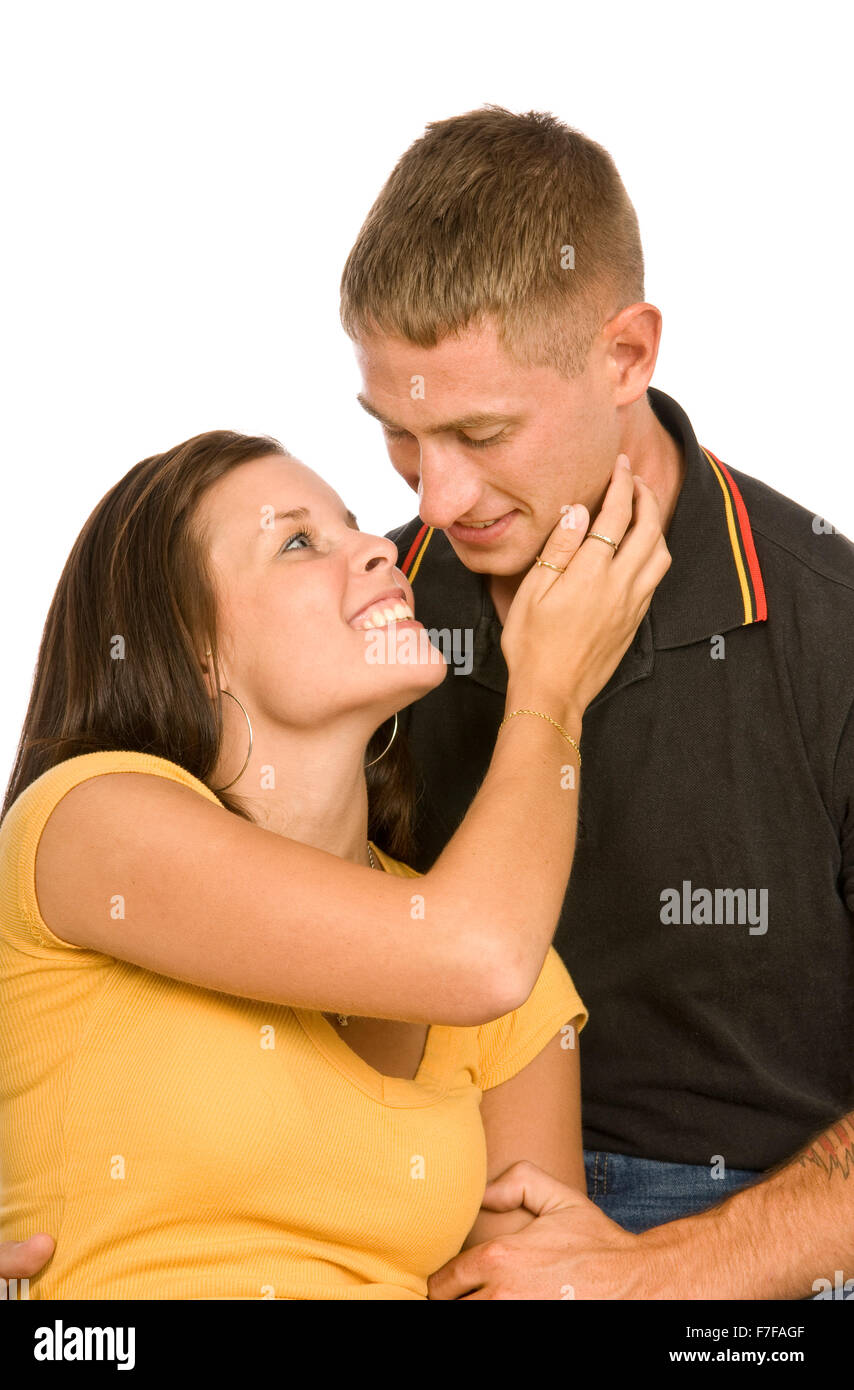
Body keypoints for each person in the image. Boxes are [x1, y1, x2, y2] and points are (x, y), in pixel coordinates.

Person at [337, 105, 854, 1299]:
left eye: (480, 430)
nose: (441, 497)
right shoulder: (361, 607)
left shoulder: (829, 624)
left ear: (625, 355)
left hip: (756, 1237)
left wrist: (648, 1276)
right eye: (400, 437)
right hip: (419, 1209)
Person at [0, 429, 667, 1298]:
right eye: (298, 541)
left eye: (355, 526)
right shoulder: (88, 820)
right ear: (188, 644)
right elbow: (474, 955)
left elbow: (538, 1280)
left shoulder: (508, 966)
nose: (383, 546)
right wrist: (553, 688)